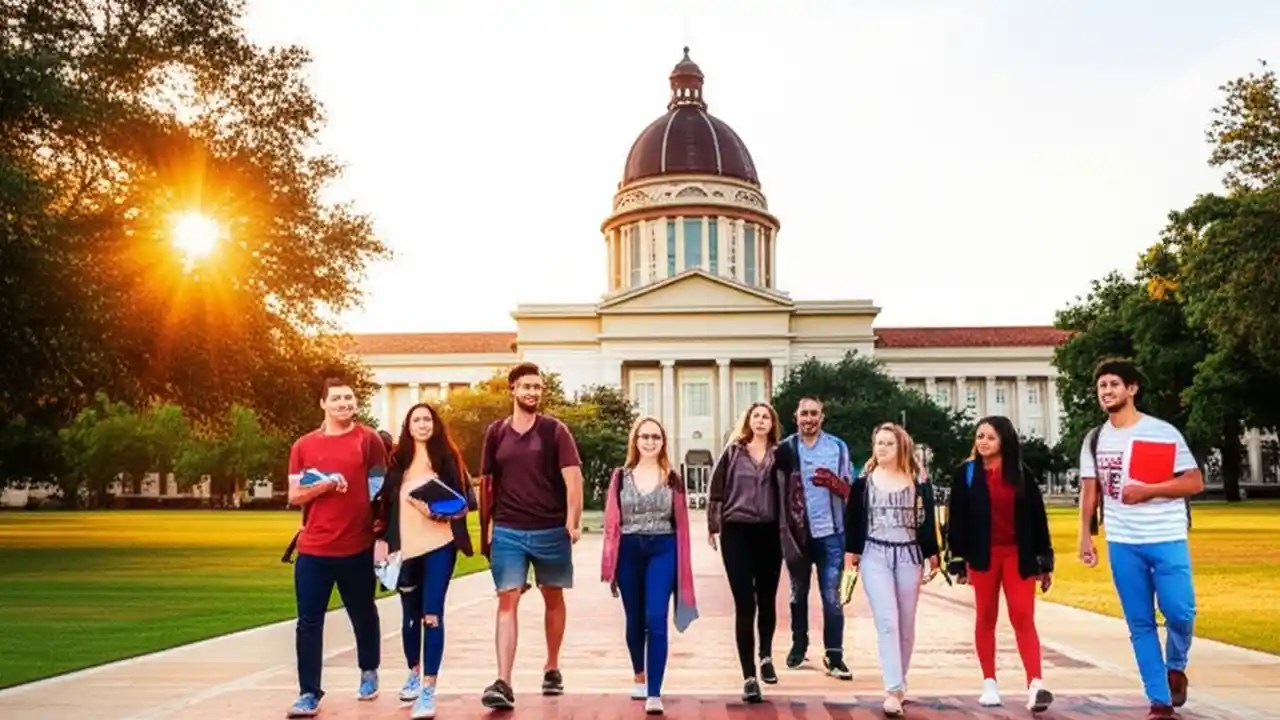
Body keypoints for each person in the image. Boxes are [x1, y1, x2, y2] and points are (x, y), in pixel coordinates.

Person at [1077, 358, 1201, 720]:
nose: (1107, 391)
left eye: (1114, 384)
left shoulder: (1161, 432)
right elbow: (1090, 491)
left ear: (1131, 389)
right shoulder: (1095, 439)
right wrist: (1085, 536)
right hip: (1123, 542)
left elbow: (1193, 482)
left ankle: (1175, 664)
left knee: (1180, 611)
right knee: (1140, 623)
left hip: (1166, 536)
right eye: (1102, 386)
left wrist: (1148, 491)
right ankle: (1159, 701)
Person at [476, 362, 585, 710]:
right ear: (512, 389)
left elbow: (573, 479)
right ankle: (503, 681)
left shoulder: (555, 431)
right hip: (508, 529)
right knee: (507, 600)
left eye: (537, 387)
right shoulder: (496, 432)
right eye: (526, 386)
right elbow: (488, 482)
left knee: (553, 598)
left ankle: (552, 665)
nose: (532, 393)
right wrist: (488, 524)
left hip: (551, 530)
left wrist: (573, 520)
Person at [285, 378, 388, 718]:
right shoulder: (303, 446)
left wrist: (380, 532)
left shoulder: (368, 440)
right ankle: (308, 692)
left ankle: (369, 670)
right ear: (323, 404)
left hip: (356, 546)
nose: (344, 403)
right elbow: (294, 496)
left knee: (362, 612)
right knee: (308, 622)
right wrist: (325, 485)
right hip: (314, 549)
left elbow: (381, 490)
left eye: (349, 398)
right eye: (337, 398)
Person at [945, 416, 1054, 712]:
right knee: (985, 617)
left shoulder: (1021, 474)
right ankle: (989, 683)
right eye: (979, 436)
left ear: (1003, 440)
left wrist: (1044, 561)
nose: (983, 442)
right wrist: (957, 560)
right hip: (983, 556)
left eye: (990, 437)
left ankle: (1035, 684)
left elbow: (1038, 518)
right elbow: (955, 520)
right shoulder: (966, 473)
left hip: (1018, 554)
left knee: (1022, 616)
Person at [376, 402, 476, 719]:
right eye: (416, 419)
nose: (422, 424)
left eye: (427, 419)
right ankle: (414, 672)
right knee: (409, 616)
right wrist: (381, 544)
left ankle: (429, 689)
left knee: (432, 615)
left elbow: (466, 503)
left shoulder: (448, 459)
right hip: (404, 551)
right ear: (408, 426)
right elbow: (383, 508)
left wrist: (435, 510)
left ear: (435, 424)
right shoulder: (397, 462)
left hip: (440, 546)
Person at [600, 416, 699, 716]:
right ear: (635, 440)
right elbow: (610, 522)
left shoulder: (672, 477)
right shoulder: (620, 476)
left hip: (663, 548)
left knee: (656, 618)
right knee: (634, 621)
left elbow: (679, 522)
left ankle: (654, 692)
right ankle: (639, 675)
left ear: (663, 442)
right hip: (629, 549)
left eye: (656, 437)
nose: (650, 441)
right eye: (645, 436)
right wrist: (611, 563)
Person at [844, 422, 940, 718]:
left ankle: (901, 683)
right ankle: (892, 687)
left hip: (909, 555)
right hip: (875, 554)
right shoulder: (865, 481)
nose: (882, 448)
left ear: (902, 447)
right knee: (887, 620)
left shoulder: (917, 481)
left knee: (906, 623)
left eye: (888, 443)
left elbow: (926, 520)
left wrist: (932, 552)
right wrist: (852, 552)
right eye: (878, 443)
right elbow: (854, 518)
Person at [707, 401, 786, 703]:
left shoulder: (782, 454)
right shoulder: (733, 452)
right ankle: (749, 676)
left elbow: (793, 492)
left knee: (766, 598)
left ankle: (765, 655)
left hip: (770, 532)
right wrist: (713, 526)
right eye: (756, 416)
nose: (761, 420)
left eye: (766, 416)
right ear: (748, 421)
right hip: (737, 531)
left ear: (772, 423)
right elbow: (716, 489)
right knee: (744, 601)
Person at [777, 397, 853, 679]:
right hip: (798, 534)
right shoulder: (785, 448)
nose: (809, 418)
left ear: (822, 417)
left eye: (814, 414)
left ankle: (834, 654)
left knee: (832, 597)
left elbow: (851, 490)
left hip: (831, 533)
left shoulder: (838, 447)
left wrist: (836, 484)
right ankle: (799, 644)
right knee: (798, 594)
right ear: (796, 416)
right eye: (804, 414)